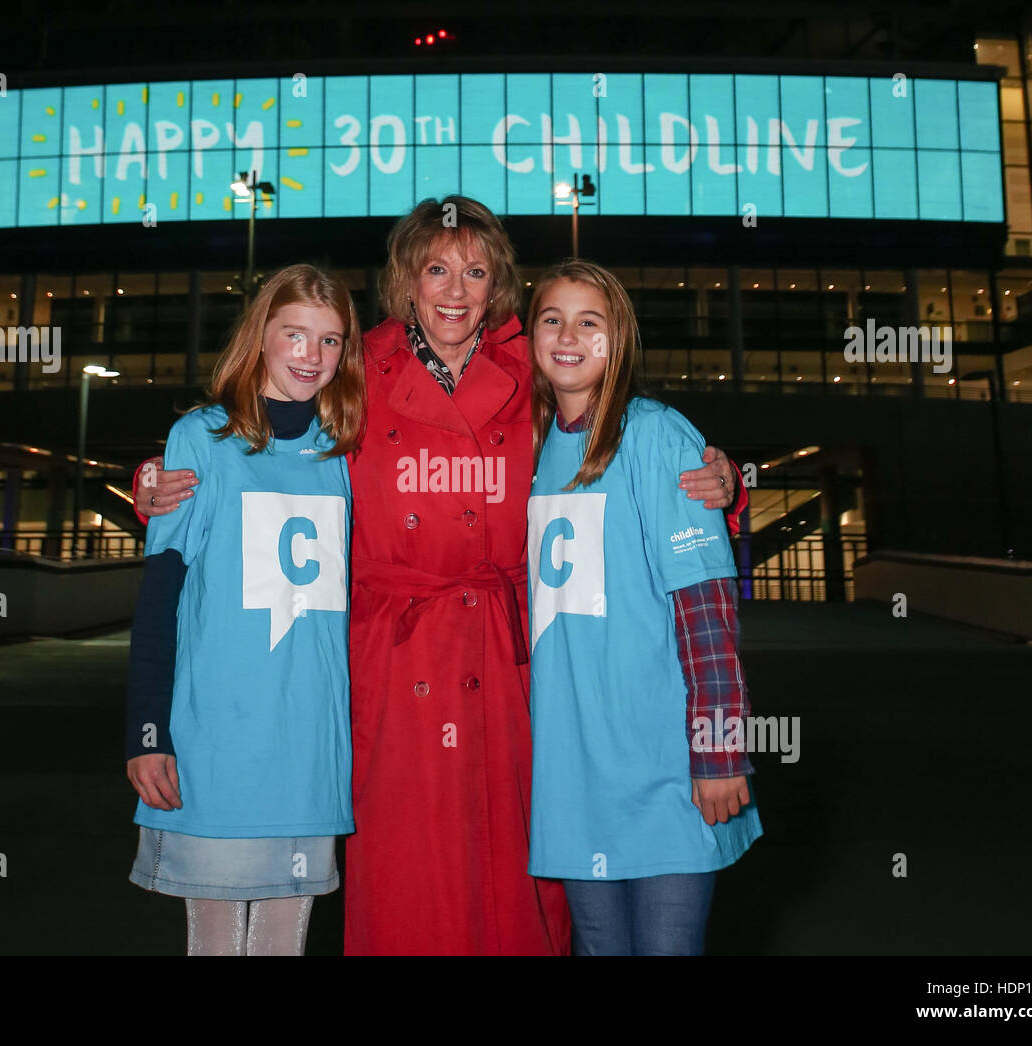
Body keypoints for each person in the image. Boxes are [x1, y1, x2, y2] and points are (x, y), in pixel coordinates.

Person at [132, 196, 746, 954]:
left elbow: (625, 443)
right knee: (408, 872)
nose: (456, 290)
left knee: (517, 871)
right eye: (437, 269)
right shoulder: (357, 363)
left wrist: (722, 477)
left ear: (499, 288)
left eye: (476, 272)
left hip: (511, 662)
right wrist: (161, 476)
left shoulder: (535, 360)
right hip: (393, 661)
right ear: (407, 281)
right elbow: (264, 439)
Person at [125, 264, 366, 955]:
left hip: (310, 749)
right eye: (294, 333)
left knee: (283, 946)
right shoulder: (201, 438)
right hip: (215, 741)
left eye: (329, 341)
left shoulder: (346, 450)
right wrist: (147, 728)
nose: (309, 355)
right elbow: (161, 595)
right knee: (217, 945)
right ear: (261, 334)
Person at [524, 260, 762, 955]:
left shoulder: (657, 435)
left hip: (664, 762)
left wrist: (719, 748)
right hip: (573, 767)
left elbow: (705, 608)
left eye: (589, 322)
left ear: (618, 338)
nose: (569, 336)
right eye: (551, 319)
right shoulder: (530, 446)